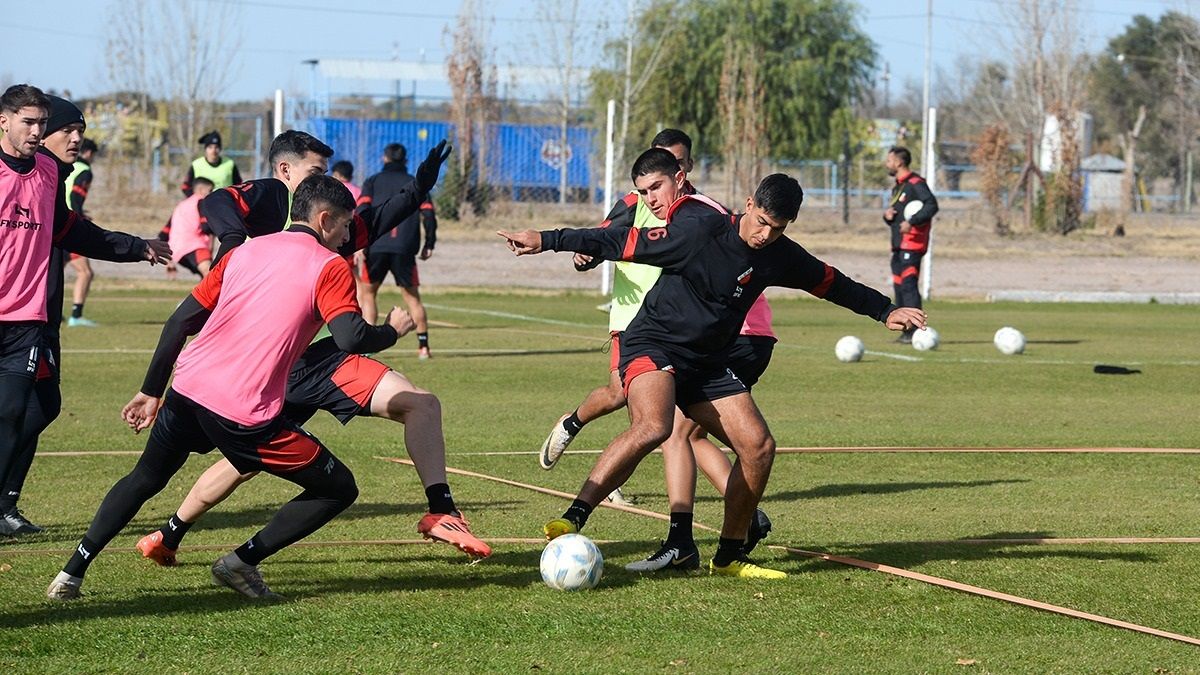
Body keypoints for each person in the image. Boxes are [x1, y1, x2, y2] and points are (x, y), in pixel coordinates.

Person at [499, 151, 925, 579]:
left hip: (706, 362)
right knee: (655, 426)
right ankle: (574, 517)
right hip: (653, 342)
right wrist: (548, 239)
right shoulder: (700, 230)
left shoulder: (779, 253)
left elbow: (832, 282)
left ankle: (729, 556)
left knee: (759, 447)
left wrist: (884, 310)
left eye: (777, 229)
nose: (764, 234)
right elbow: (619, 242)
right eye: (761, 222)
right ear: (749, 204)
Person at [47, 175, 412, 601]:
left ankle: (71, 573)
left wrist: (151, 390)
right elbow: (351, 338)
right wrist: (390, 331)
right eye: (347, 225)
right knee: (338, 488)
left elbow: (179, 322)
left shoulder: (245, 250)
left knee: (146, 476)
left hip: (187, 390)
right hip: (243, 414)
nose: (350, 235)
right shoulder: (329, 266)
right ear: (324, 218)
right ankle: (240, 562)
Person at [131, 133, 488, 568]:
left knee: (249, 459)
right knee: (417, 407)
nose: (326, 179)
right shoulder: (268, 207)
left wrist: (418, 188)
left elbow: (374, 222)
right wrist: (232, 239)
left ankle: (168, 535)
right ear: (286, 170)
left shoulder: (328, 226)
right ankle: (442, 511)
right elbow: (218, 202)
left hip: (294, 365)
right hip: (288, 367)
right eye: (317, 172)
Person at [0, 90, 171, 536]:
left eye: (78, 131)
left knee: (28, 409)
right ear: (6, 122)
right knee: (18, 410)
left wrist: (137, 247)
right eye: (65, 129)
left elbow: (71, 230)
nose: (72, 137)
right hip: (23, 317)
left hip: (32, 320)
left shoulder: (49, 177)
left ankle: (4, 504)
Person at [358, 143, 437, 359]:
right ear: (406, 161)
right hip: (404, 248)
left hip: (376, 245)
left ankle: (367, 348)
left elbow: (362, 210)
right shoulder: (415, 182)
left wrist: (360, 242)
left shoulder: (372, 181)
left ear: (385, 159)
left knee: (368, 294)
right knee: (413, 299)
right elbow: (428, 214)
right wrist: (430, 242)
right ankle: (424, 348)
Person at [882, 146, 938, 344]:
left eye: (889, 160)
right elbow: (899, 215)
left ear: (898, 162)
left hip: (912, 244)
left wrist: (912, 221)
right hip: (898, 244)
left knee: (908, 285)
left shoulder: (916, 183)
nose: (886, 164)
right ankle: (906, 330)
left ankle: (917, 331)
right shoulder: (899, 186)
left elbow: (932, 205)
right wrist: (888, 216)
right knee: (899, 286)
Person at [65, 137, 98, 327]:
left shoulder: (67, 166)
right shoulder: (85, 171)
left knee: (50, 273)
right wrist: (80, 220)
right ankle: (76, 316)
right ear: (89, 153)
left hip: (55, 222)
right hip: (69, 226)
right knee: (85, 272)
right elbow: (75, 196)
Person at [164, 177, 215, 278]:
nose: (211, 193)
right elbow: (206, 227)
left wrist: (169, 260)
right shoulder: (202, 202)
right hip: (195, 246)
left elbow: (164, 233)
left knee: (206, 279)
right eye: (210, 190)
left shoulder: (181, 205)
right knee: (211, 275)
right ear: (200, 190)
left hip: (177, 251)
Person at [180, 130, 241, 196]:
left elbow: (239, 185)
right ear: (205, 149)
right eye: (210, 147)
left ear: (220, 148)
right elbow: (185, 187)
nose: (213, 150)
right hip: (203, 204)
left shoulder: (230, 164)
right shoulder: (196, 164)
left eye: (216, 147)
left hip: (224, 203)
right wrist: (196, 199)